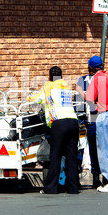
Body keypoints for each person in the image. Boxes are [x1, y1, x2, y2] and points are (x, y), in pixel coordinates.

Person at [27, 66, 80, 194]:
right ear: (61, 76)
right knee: (71, 157)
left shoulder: (48, 86)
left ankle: (51, 188)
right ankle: (73, 187)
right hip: (73, 121)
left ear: (49, 76)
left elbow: (35, 99)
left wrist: (29, 95)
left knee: (55, 156)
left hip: (59, 123)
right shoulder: (65, 86)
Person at [85, 56, 108, 193]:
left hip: (104, 114)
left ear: (91, 68)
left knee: (104, 150)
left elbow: (89, 99)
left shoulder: (95, 78)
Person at [75, 62, 101, 188]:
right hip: (86, 116)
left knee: (89, 147)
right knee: (84, 147)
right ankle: (93, 177)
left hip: (91, 116)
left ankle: (94, 177)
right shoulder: (97, 80)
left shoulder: (85, 80)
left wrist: (83, 94)